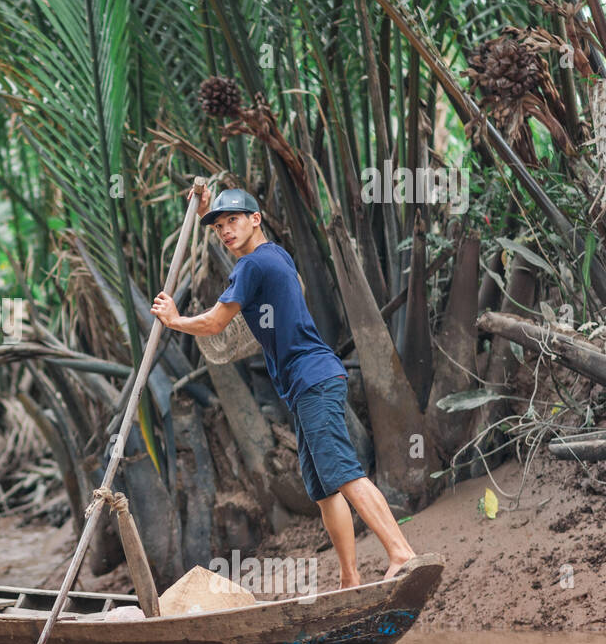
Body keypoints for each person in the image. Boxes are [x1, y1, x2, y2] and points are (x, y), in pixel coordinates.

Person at [150, 187, 416, 589]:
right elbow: (243, 264)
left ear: (256, 219)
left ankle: (401, 552)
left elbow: (215, 323)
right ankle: (350, 579)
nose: (225, 231)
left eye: (233, 221)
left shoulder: (252, 267)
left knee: (342, 471)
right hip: (311, 382)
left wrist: (174, 319)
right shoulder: (273, 256)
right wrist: (210, 211)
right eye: (219, 226)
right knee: (325, 488)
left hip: (313, 379)